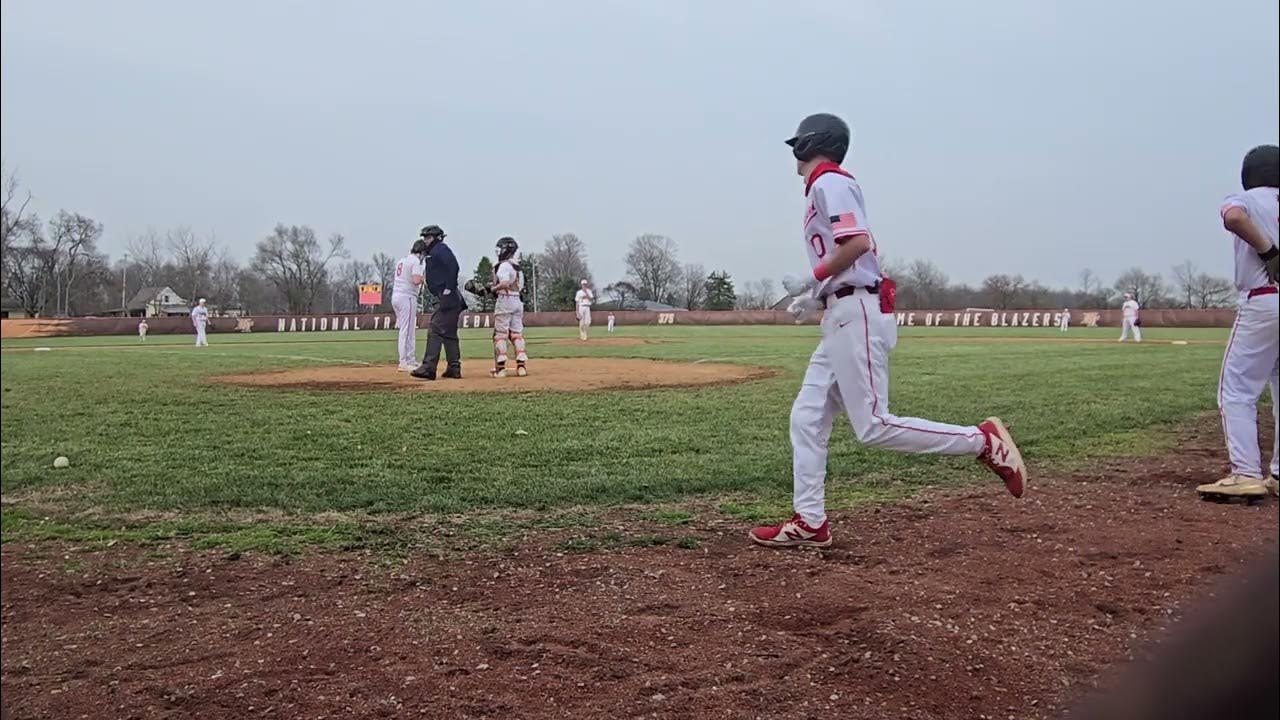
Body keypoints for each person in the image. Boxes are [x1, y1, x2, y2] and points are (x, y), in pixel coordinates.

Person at [752, 112, 1026, 549]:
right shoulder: (823, 186)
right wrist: (818, 295)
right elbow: (853, 255)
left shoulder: (830, 181)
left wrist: (812, 278)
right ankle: (810, 521)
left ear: (811, 143)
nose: (794, 154)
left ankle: (982, 442)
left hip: (857, 313)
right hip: (843, 312)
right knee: (807, 417)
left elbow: (857, 244)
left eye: (798, 144)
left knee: (874, 425)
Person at [1196, 144, 1279, 500]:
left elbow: (1233, 217)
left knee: (1237, 389)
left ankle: (1245, 473)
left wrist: (1269, 251)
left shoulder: (1245, 199)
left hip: (1262, 300)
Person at [411, 225, 465, 380]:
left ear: (437, 238)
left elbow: (454, 266)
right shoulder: (433, 252)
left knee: (435, 329)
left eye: (428, 238)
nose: (425, 241)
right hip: (448, 296)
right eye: (424, 238)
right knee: (449, 334)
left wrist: (449, 288)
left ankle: (429, 367)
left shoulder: (440, 249)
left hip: (447, 296)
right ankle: (454, 368)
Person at [488, 236, 529, 377]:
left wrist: (493, 289)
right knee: (517, 334)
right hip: (517, 300)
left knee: (501, 335)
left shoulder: (504, 265)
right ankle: (521, 367)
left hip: (505, 300)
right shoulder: (517, 266)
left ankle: (501, 369)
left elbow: (504, 283)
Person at [392, 237, 428, 371]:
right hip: (407, 297)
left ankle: (410, 359)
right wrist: (424, 278)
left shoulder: (402, 260)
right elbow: (416, 280)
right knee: (407, 330)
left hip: (397, 295)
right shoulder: (415, 261)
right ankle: (404, 361)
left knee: (406, 329)